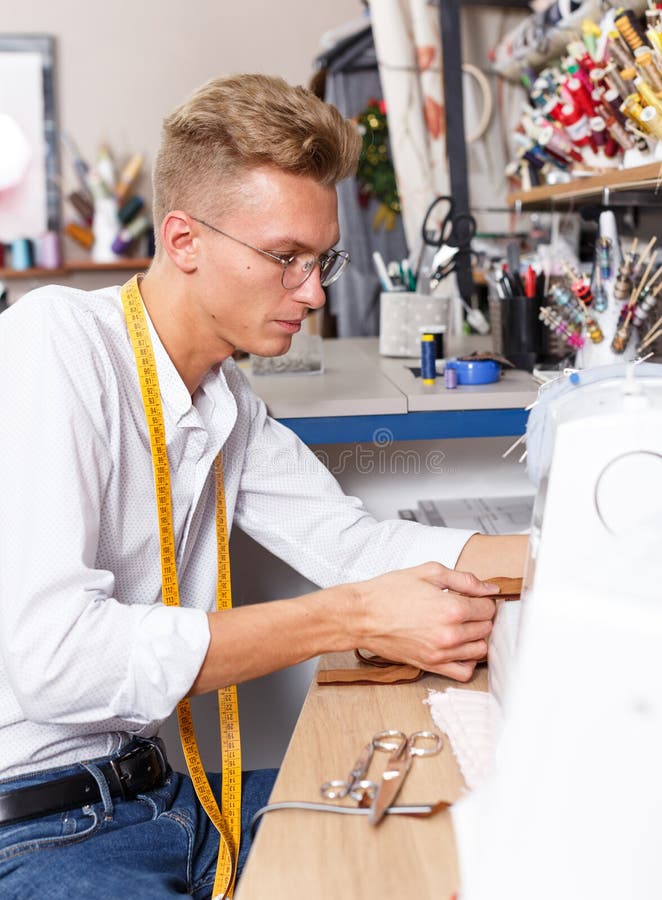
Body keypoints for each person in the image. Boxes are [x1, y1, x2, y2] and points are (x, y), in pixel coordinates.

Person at [0, 74, 526, 898]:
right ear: (184, 240)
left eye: (322, 261)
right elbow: (57, 660)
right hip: (40, 831)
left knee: (453, 847)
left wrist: (570, 556)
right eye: (286, 259)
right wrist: (346, 618)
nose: (313, 293)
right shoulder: (54, 344)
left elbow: (353, 545)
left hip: (165, 797)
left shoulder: (225, 399)